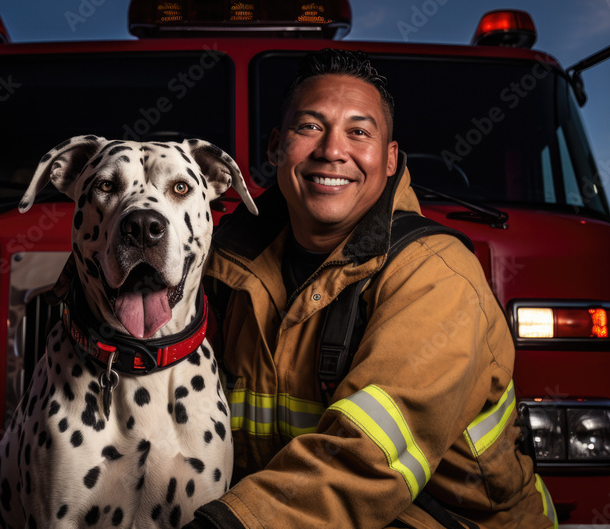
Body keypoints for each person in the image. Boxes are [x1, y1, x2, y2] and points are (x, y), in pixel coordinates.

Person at [186, 49, 557, 528]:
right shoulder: (224, 265)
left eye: (358, 132)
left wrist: (228, 524)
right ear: (277, 147)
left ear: (389, 159)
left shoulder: (437, 275)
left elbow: (368, 461)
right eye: (310, 127)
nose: (331, 151)